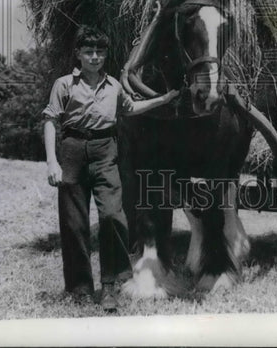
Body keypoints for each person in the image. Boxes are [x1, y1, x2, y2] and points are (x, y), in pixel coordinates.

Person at [43, 25, 179, 312]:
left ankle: (110, 286)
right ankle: (80, 289)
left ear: (105, 55)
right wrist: (52, 161)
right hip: (72, 150)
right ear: (78, 54)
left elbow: (130, 109)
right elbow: (50, 121)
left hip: (106, 150)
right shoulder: (64, 84)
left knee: (113, 216)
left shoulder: (114, 86)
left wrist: (162, 100)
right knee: (74, 223)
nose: (95, 57)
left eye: (99, 52)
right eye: (88, 52)